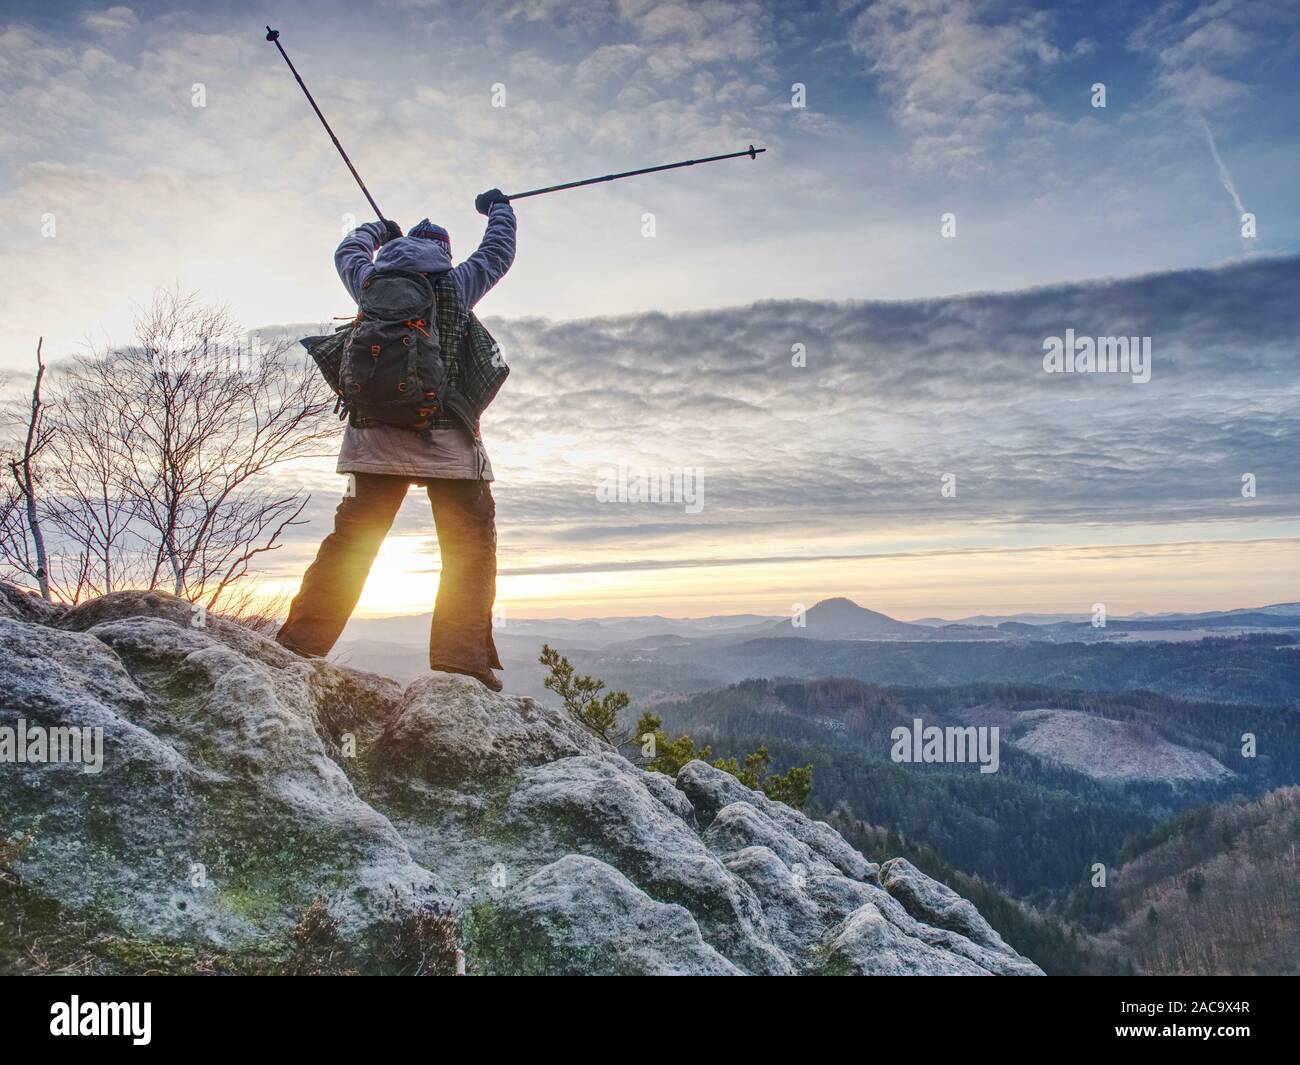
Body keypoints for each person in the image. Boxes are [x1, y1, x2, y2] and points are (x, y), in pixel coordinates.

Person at [276, 189, 516, 691]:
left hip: (372, 446)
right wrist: (499, 208)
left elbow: (346, 251)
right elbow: (498, 253)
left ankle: (300, 643)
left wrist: (376, 231)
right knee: (468, 549)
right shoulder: (455, 282)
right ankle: (460, 658)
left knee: (351, 546)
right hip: (447, 445)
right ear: (445, 252)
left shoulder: (369, 281)